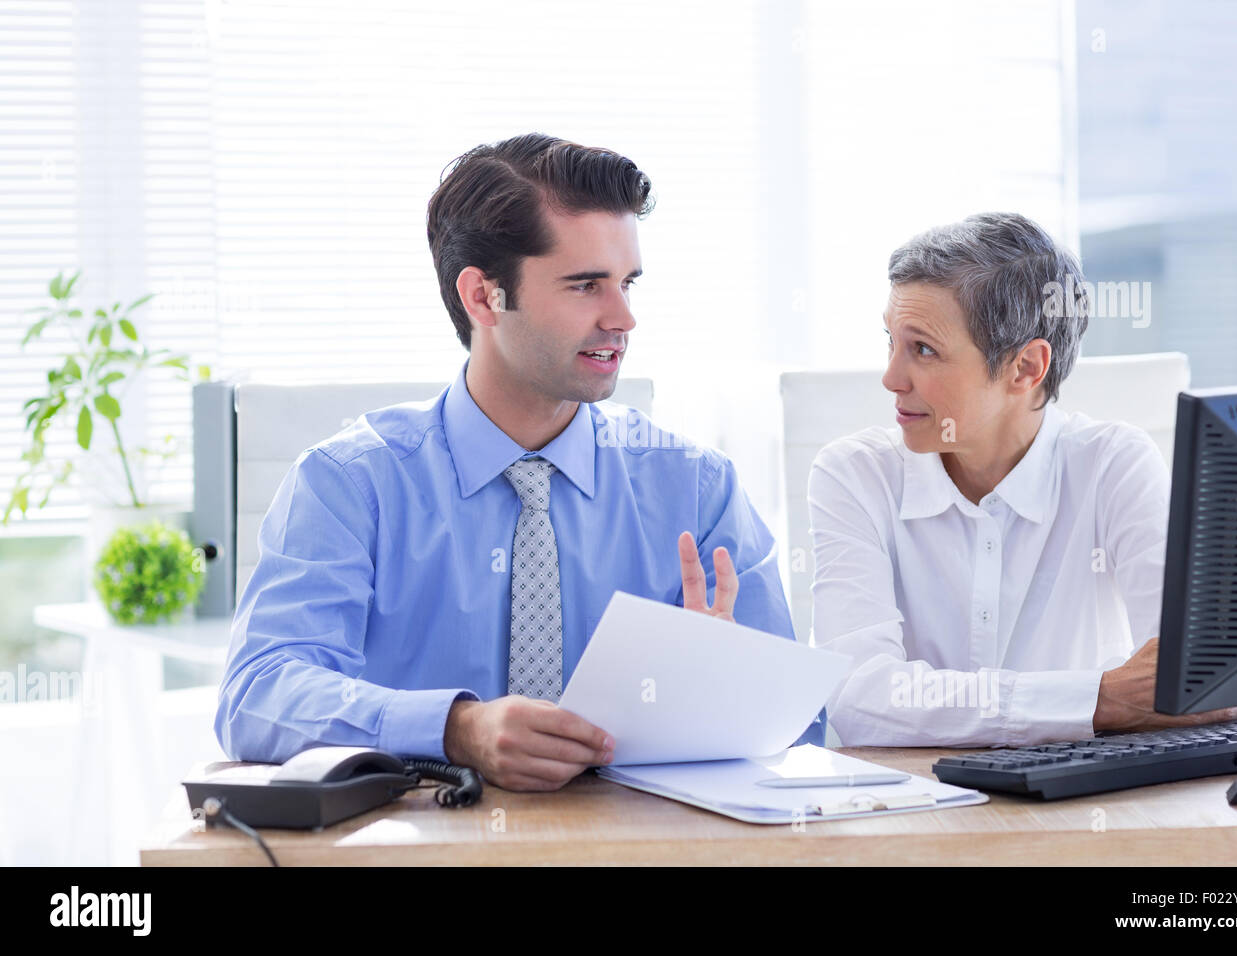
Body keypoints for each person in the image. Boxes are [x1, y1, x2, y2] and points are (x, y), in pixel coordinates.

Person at [215, 133, 820, 791]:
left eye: (627, 283)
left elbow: (800, 727)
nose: (624, 318)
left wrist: (729, 700)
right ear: (483, 298)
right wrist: (456, 729)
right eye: (586, 285)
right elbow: (258, 694)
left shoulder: (697, 489)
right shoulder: (349, 485)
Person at [808, 211, 1237, 747]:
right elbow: (855, 698)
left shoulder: (1114, 465)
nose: (891, 378)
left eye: (922, 349)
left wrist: (943, 707)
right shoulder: (853, 475)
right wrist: (1100, 698)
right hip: (906, 809)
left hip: (1078, 810)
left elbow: (1201, 686)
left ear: (1026, 368)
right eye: (891, 341)